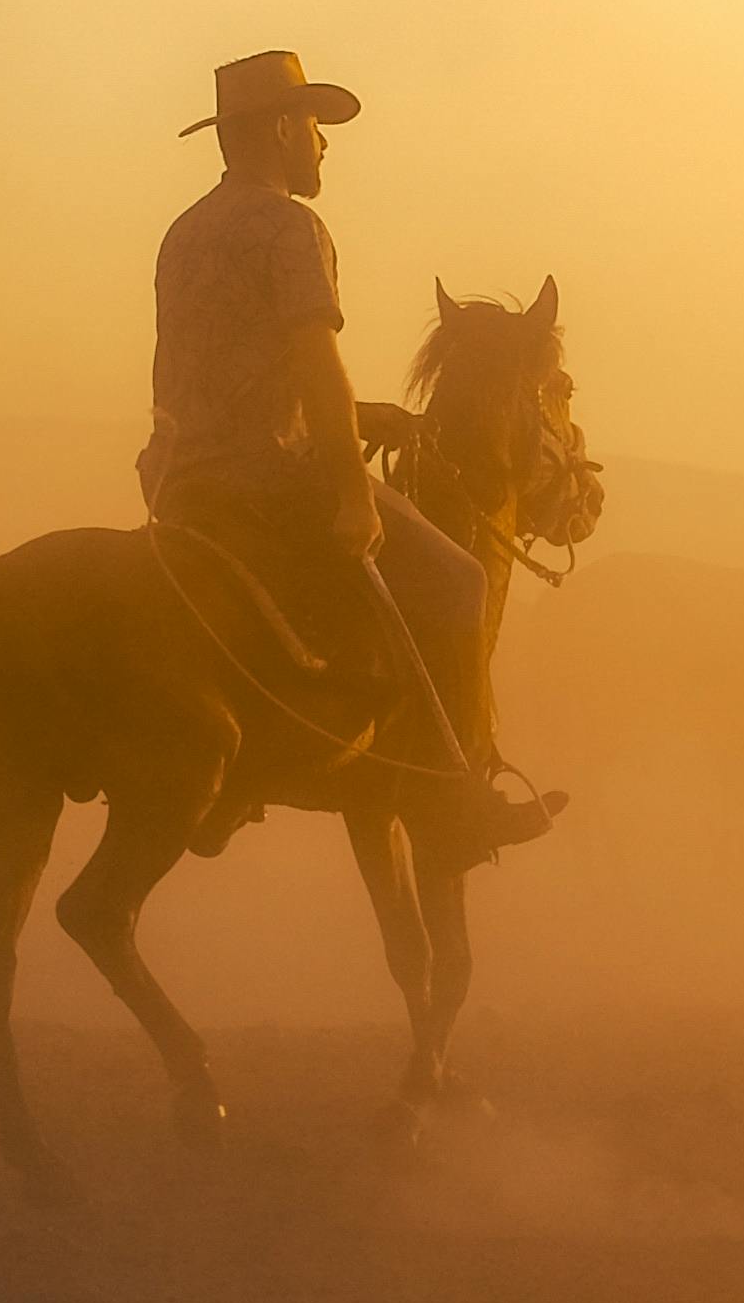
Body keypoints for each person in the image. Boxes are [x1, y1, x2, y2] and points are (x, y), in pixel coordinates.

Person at [142, 49, 555, 853]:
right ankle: (458, 792)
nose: (324, 146)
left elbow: (218, 372)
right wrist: (351, 490)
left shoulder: (183, 232)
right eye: (313, 128)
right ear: (278, 131)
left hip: (180, 481)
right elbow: (310, 360)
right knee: (460, 581)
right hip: (269, 476)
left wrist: (369, 418)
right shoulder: (292, 227)